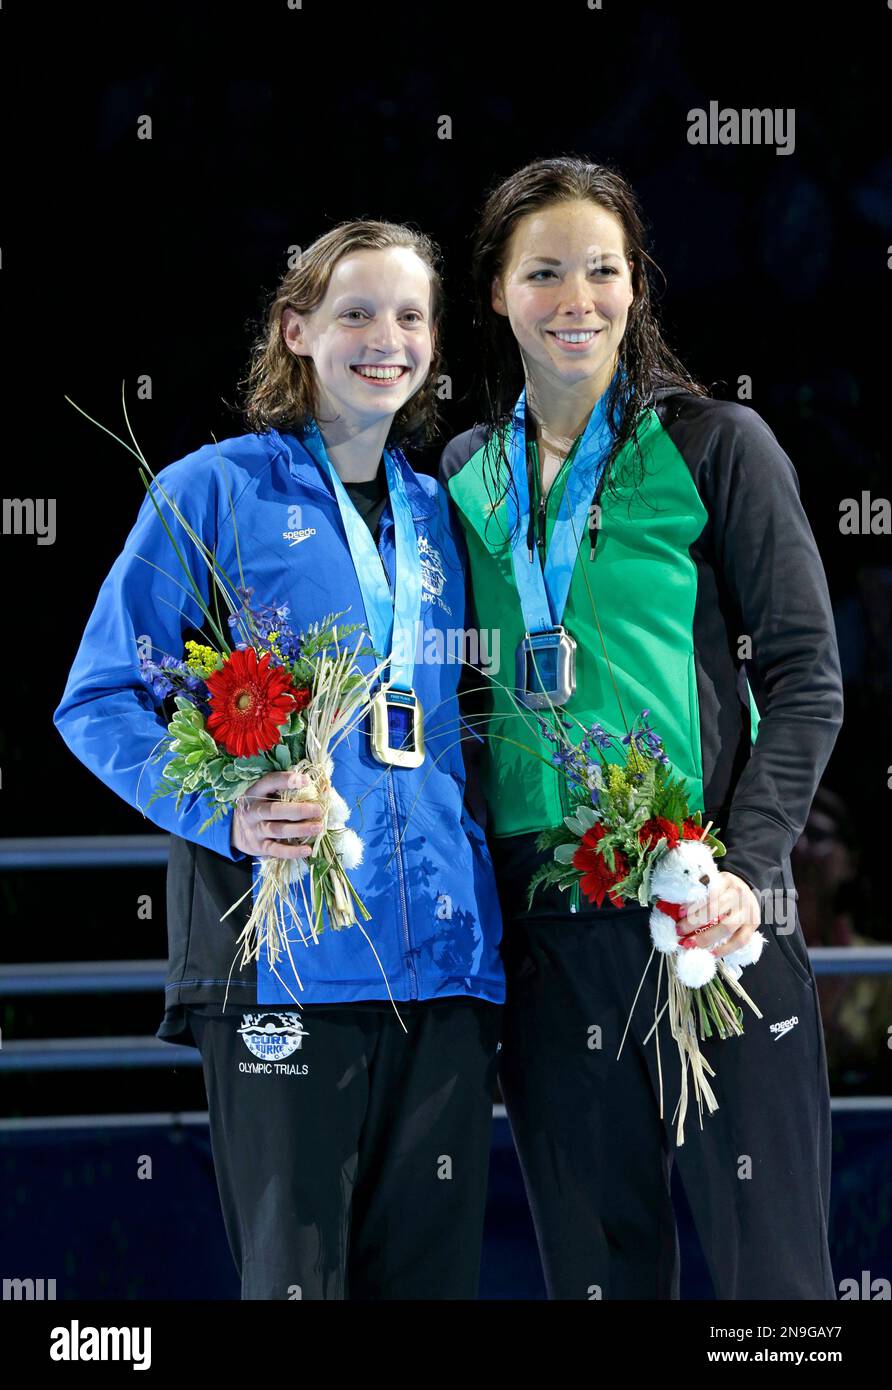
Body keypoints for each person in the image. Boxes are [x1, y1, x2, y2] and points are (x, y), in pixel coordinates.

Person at [54, 220, 504, 1300]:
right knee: (295, 1284)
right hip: (284, 956)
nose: (382, 338)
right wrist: (227, 812)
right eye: (354, 312)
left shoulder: (450, 517)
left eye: (408, 316)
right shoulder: (213, 489)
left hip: (442, 964)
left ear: (435, 344)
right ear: (296, 330)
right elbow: (103, 693)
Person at [439, 156, 844, 1300]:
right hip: (551, 932)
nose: (579, 297)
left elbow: (810, 676)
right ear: (498, 294)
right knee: (598, 1277)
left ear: (636, 286)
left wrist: (744, 868)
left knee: (776, 1287)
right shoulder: (466, 476)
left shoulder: (718, 444)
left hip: (707, 912)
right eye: (546, 271)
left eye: (603, 269)